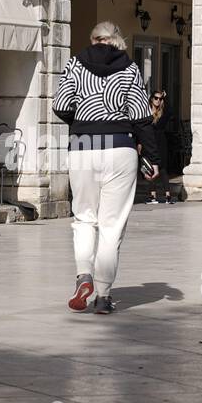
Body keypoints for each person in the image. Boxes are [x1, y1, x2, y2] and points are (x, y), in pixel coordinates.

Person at [54, 21, 159, 315]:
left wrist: (85, 119)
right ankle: (102, 296)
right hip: (120, 146)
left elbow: (61, 105)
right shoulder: (129, 67)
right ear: (116, 40)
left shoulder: (75, 63)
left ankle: (83, 275)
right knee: (111, 226)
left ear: (93, 39)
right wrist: (153, 157)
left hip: (84, 145)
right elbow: (141, 116)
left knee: (84, 218)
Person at [143, 90, 174, 204]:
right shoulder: (146, 111)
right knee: (148, 168)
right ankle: (152, 196)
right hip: (148, 141)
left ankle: (168, 196)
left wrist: (167, 98)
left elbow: (170, 111)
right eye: (156, 98)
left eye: (160, 99)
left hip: (160, 141)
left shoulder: (163, 112)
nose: (158, 100)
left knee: (162, 168)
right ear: (151, 99)